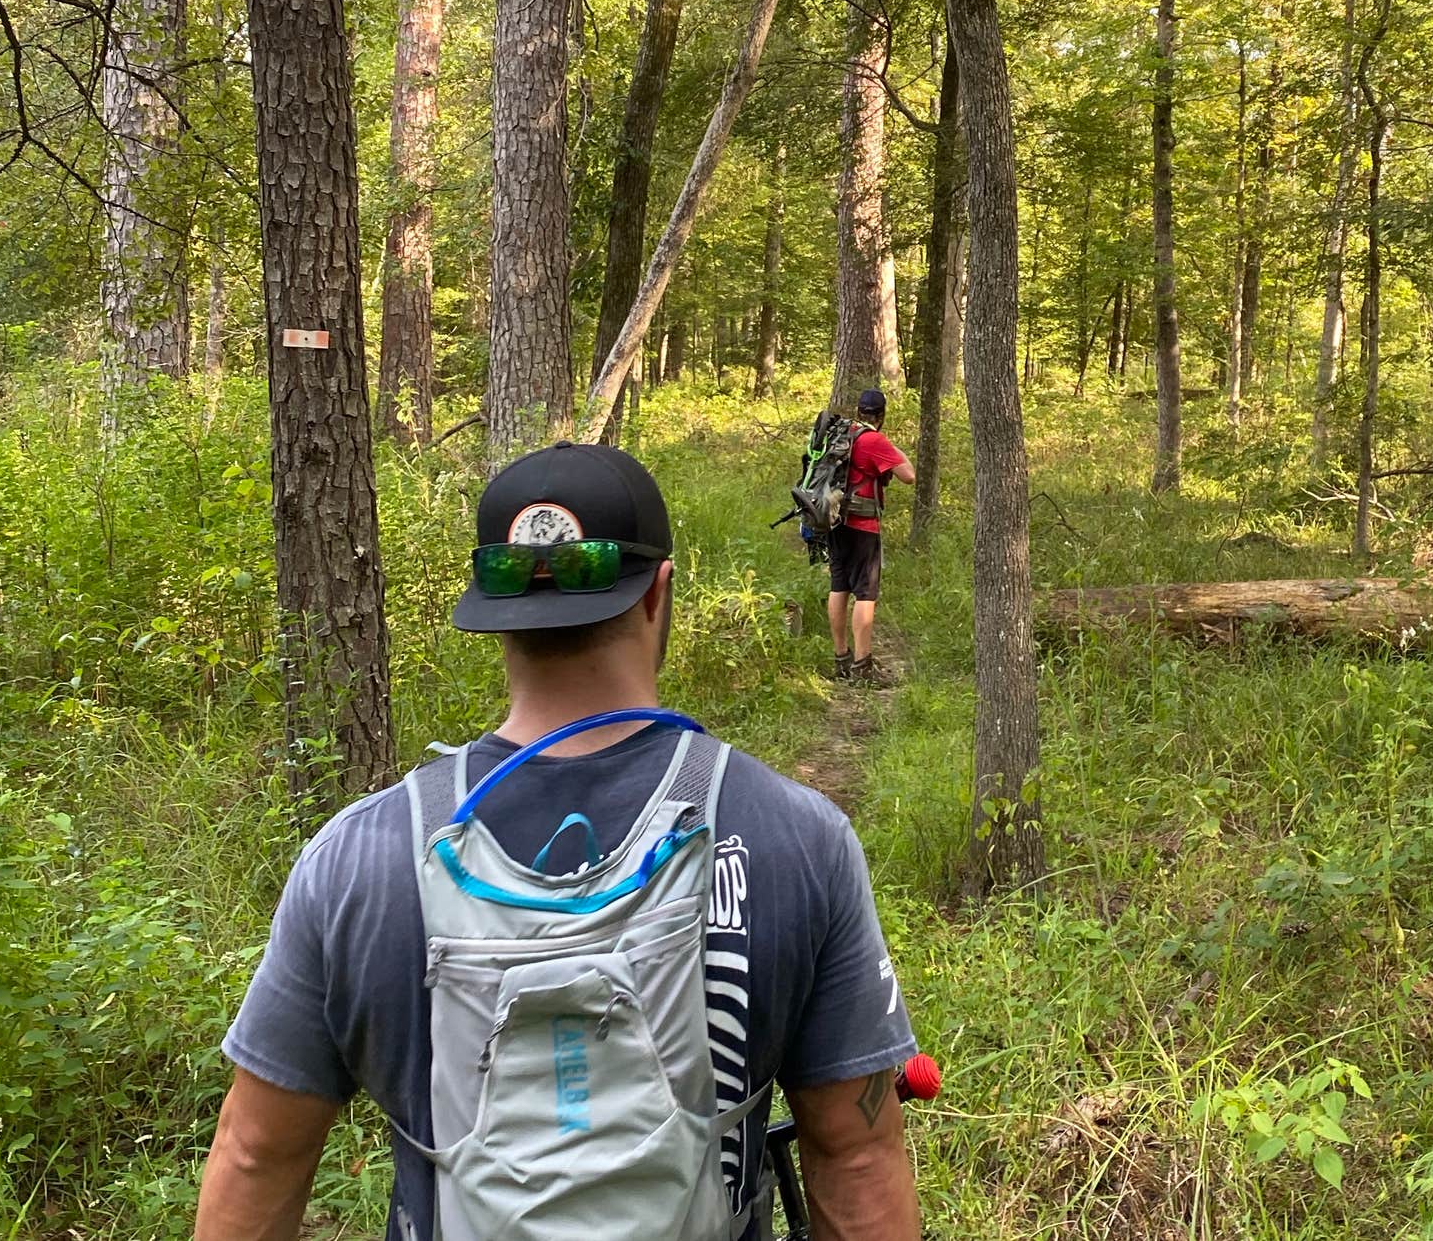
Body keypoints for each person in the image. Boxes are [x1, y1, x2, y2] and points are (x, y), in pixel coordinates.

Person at [194, 441, 922, 1241]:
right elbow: (854, 1155)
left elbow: (257, 1154)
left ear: (491, 610)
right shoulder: (798, 837)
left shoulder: (357, 859)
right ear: (658, 596)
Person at [827, 387, 914, 685]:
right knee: (865, 593)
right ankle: (863, 666)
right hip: (863, 527)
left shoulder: (842, 432)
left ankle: (841, 658)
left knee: (839, 585)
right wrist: (895, 449)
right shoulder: (874, 440)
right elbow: (908, 476)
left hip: (835, 521)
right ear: (882, 415)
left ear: (859, 411)